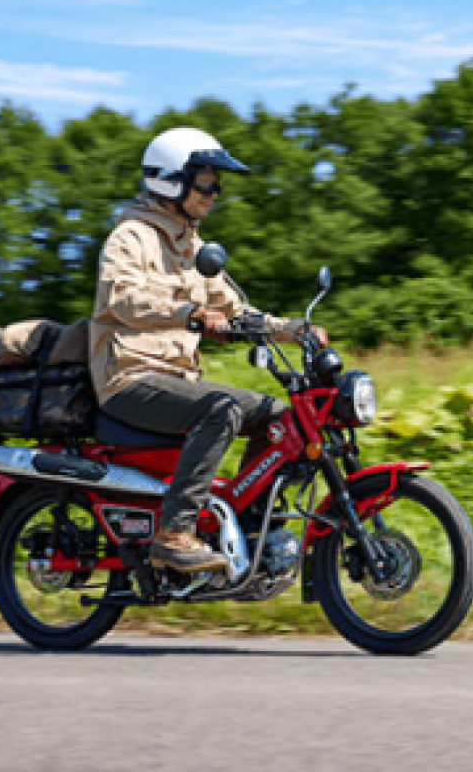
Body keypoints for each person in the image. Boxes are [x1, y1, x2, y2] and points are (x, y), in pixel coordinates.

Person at [89, 127, 327, 574]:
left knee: (278, 417)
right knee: (221, 409)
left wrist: (291, 330)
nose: (215, 192)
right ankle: (175, 533)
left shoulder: (192, 247)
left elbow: (236, 311)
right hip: (128, 380)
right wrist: (189, 314)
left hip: (175, 383)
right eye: (206, 181)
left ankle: (251, 529)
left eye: (217, 184)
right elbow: (121, 299)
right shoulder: (131, 237)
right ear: (171, 180)